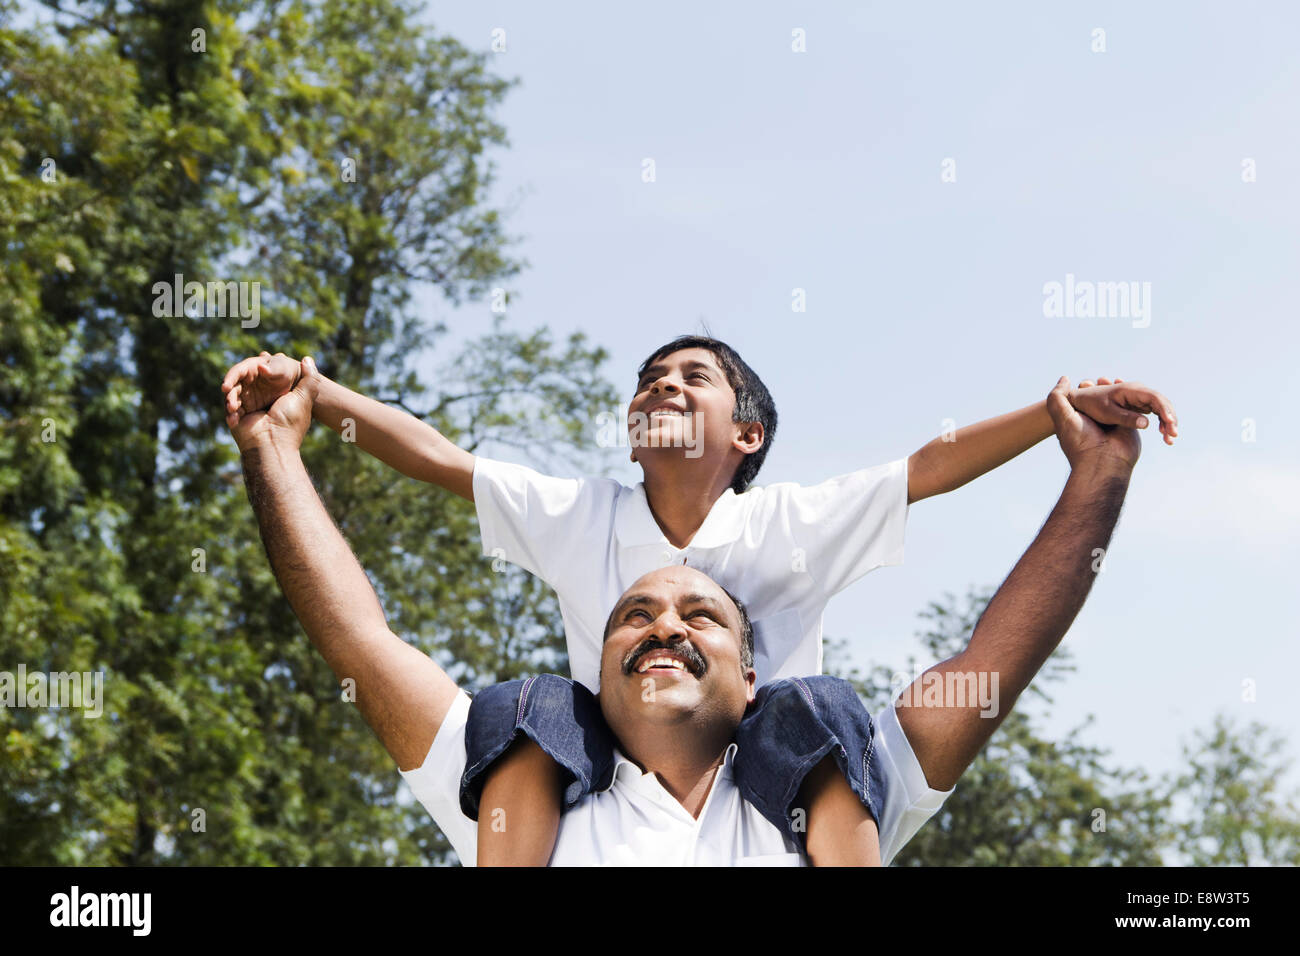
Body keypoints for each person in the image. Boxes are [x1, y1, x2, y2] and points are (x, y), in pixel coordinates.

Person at [223, 339, 1177, 864]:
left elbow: (931, 476)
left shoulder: (794, 525)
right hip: (593, 745)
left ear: (749, 432)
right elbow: (434, 465)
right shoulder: (579, 517)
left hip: (779, 763)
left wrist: (1058, 421)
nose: (663, 385)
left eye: (693, 378)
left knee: (821, 712)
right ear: (633, 435)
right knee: (531, 712)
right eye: (649, 380)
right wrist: (313, 399)